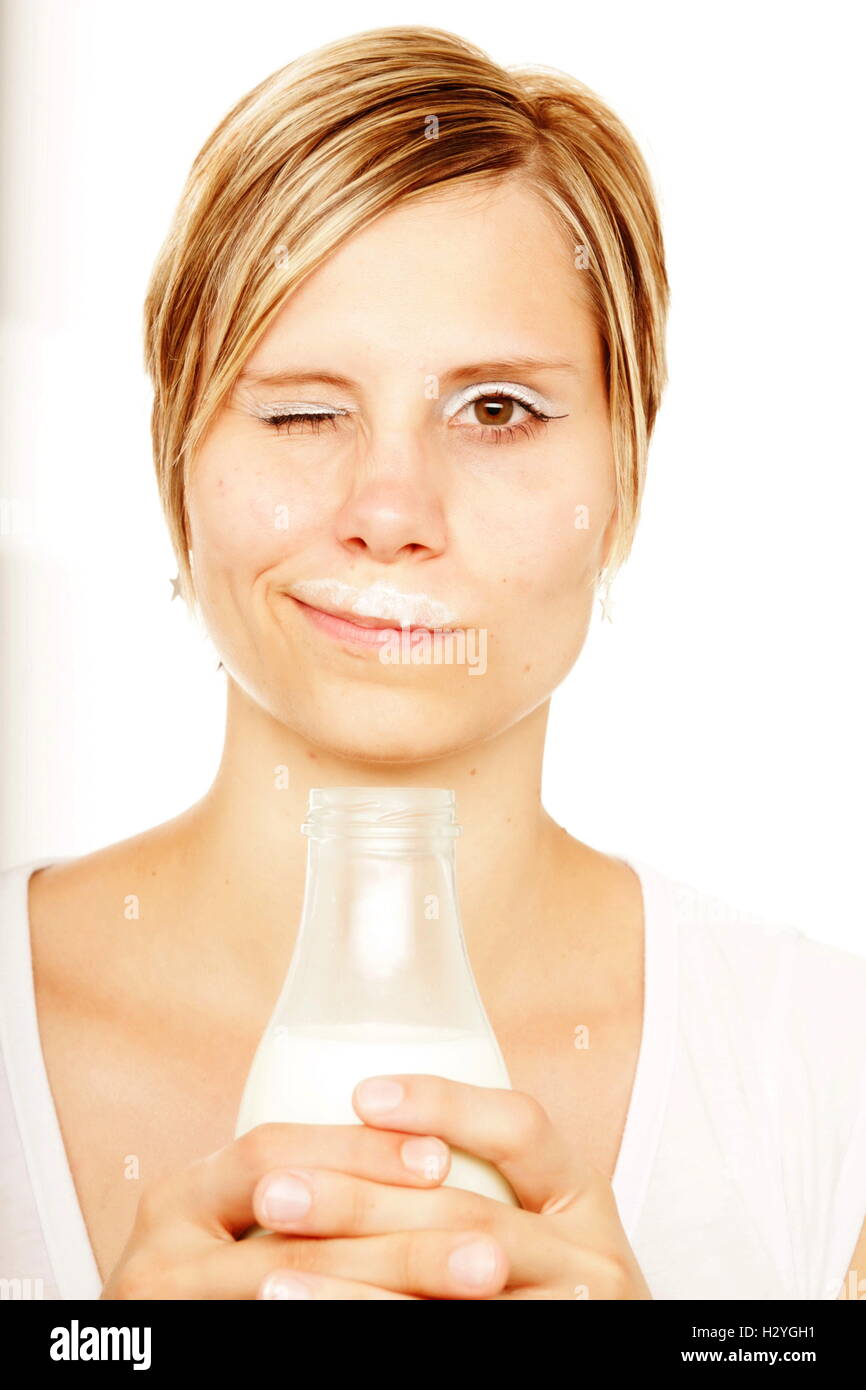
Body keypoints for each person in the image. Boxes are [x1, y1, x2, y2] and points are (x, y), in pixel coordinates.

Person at [1, 25, 864, 1302]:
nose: (390, 505)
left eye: (497, 409)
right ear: (174, 455)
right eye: (301, 410)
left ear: (624, 476)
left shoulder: (821, 1069)